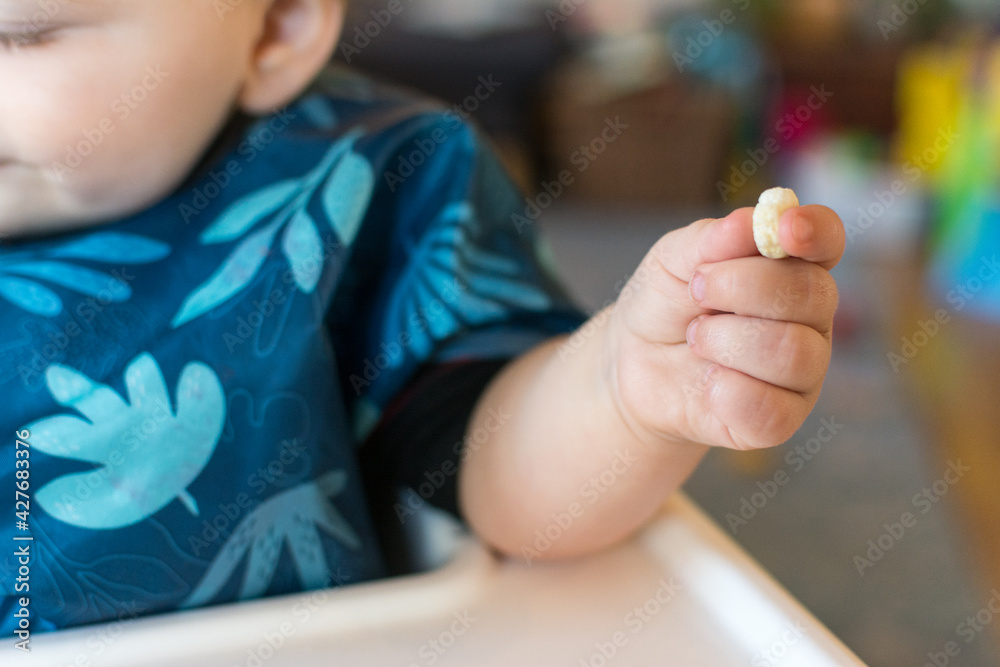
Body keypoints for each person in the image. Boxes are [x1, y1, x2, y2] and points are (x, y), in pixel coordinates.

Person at [0, 0, 844, 634]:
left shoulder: (368, 185)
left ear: (275, 27)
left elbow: (492, 469)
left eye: (23, 33)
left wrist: (626, 390)